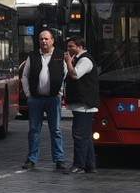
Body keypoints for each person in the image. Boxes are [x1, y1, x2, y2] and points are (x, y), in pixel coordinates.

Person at [19, 28, 66, 170]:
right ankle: (31, 159)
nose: (44, 41)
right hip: (36, 99)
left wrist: (60, 92)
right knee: (34, 130)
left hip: (54, 99)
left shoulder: (60, 56)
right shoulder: (32, 56)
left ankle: (59, 159)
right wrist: (28, 94)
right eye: (41, 39)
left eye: (46, 39)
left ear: (53, 40)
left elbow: (66, 76)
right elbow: (25, 76)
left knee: (56, 130)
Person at [63, 35, 99, 174]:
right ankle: (90, 164)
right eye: (68, 47)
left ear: (80, 47)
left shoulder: (85, 60)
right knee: (86, 136)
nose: (69, 49)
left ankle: (79, 165)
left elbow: (75, 75)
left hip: (84, 105)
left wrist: (68, 63)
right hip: (81, 104)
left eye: (71, 46)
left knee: (79, 135)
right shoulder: (79, 59)